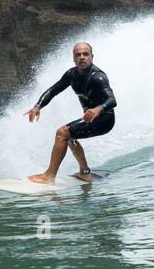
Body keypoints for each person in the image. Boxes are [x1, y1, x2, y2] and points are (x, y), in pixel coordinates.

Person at [25, 42, 116, 183]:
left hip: (105, 120)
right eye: (78, 55)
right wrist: (38, 106)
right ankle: (85, 173)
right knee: (70, 137)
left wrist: (98, 109)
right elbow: (53, 90)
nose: (82, 57)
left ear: (92, 56)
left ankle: (49, 176)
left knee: (62, 133)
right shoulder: (71, 74)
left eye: (86, 54)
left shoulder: (98, 77)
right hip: (90, 118)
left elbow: (112, 100)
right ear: (73, 58)